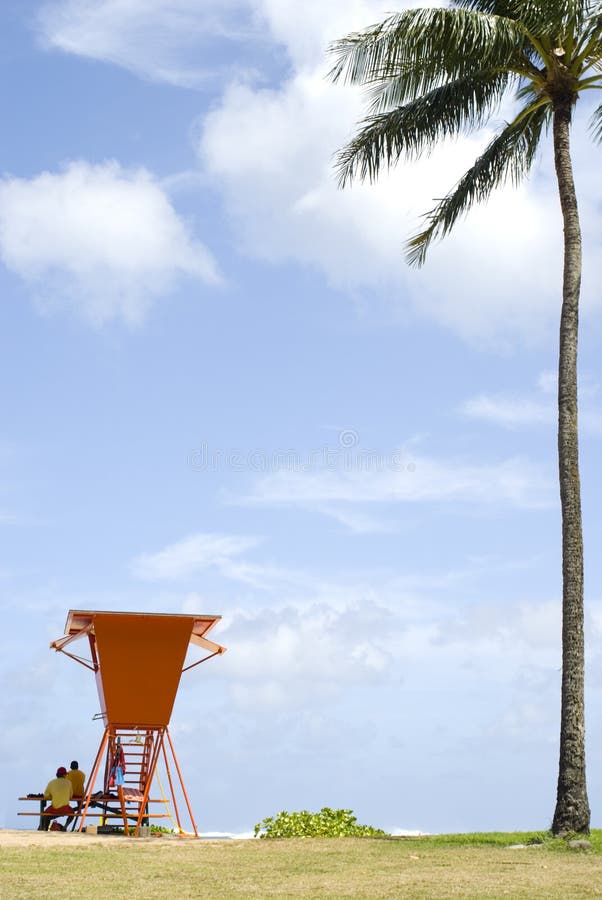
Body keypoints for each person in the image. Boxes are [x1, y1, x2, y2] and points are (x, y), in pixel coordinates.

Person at [42, 766, 74, 831]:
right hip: (65, 808)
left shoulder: (51, 782)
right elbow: (71, 796)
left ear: (57, 774)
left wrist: (53, 796)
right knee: (72, 813)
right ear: (64, 775)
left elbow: (46, 796)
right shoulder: (69, 782)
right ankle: (65, 826)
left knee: (45, 814)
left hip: (54, 808)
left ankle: (45, 829)